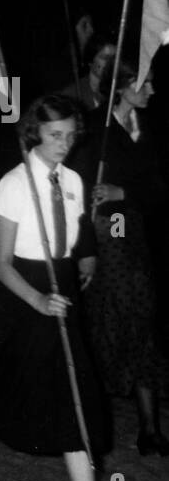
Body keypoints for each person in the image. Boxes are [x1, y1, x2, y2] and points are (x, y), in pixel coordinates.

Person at [0, 96, 136, 481]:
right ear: (35, 133)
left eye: (71, 135)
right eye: (55, 135)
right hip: (18, 296)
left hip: (59, 296)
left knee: (77, 402)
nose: (64, 144)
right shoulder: (15, 184)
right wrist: (36, 298)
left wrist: (87, 254)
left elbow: (76, 232)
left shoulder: (73, 180)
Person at [73, 64, 169, 454]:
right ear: (123, 86)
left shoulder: (147, 129)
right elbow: (77, 195)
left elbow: (160, 189)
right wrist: (86, 252)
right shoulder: (95, 129)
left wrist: (122, 193)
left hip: (136, 236)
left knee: (142, 322)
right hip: (105, 235)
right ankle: (92, 428)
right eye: (144, 83)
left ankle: (150, 429)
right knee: (108, 324)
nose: (151, 90)